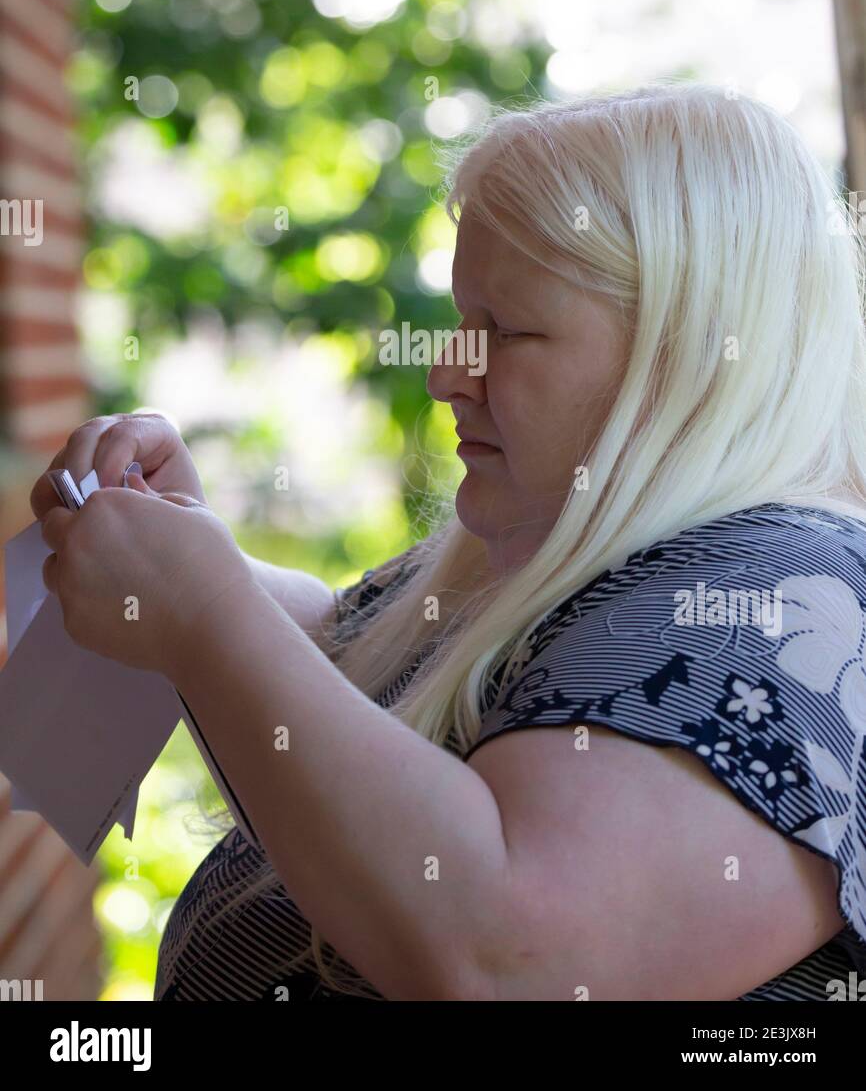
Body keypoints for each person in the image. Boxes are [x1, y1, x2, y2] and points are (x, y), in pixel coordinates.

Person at [31, 83, 866, 1001]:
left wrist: (203, 611)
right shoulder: (580, 536)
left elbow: (515, 961)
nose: (445, 376)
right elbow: (356, 686)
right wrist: (186, 555)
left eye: (506, 330)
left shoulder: (781, 595)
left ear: (692, 349)